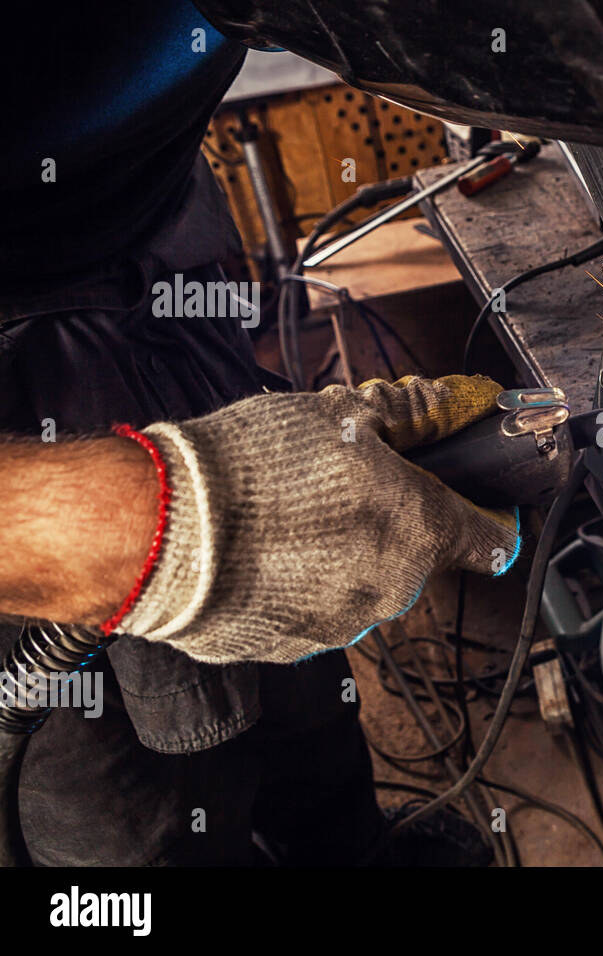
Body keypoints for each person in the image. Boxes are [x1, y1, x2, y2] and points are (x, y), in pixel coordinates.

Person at [0, 1, 518, 864]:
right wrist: (138, 525)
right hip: (25, 449)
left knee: (306, 689)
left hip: (158, 269)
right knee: (127, 821)